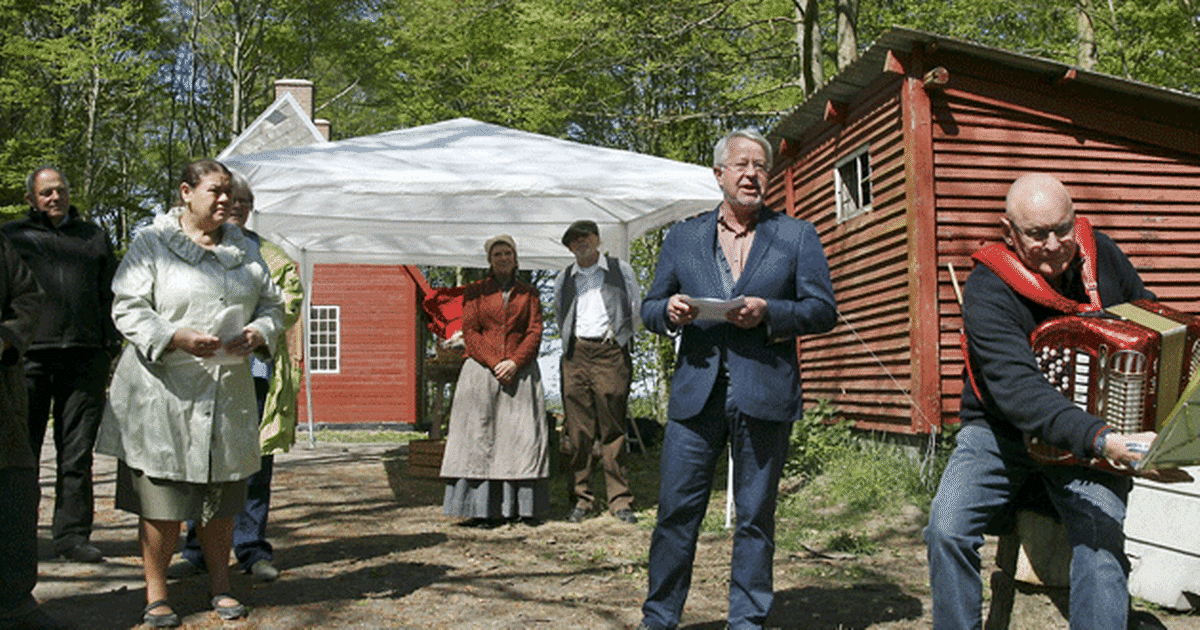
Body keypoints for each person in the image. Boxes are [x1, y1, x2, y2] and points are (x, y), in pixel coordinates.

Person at [924, 173, 1157, 630]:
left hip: (1091, 431)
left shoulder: (1101, 253)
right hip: (1001, 430)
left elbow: (1143, 312)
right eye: (1036, 234)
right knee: (945, 527)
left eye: (1063, 229)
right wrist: (1102, 439)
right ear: (1008, 233)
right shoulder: (988, 288)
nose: (1054, 244)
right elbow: (1018, 391)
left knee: (1101, 537)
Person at [637, 128, 837, 630]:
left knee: (754, 517)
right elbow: (648, 307)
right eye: (741, 165)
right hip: (695, 395)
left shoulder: (797, 236)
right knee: (676, 514)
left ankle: (747, 620)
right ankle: (659, 617)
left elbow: (822, 311)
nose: (752, 174)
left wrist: (771, 311)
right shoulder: (682, 237)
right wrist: (671, 310)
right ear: (719, 174)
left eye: (761, 166)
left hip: (765, 391)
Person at [94, 159, 284, 627]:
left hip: (226, 391)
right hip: (164, 394)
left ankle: (221, 587)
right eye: (215, 191)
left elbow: (273, 304)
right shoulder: (153, 244)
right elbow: (127, 306)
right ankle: (157, 597)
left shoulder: (246, 250)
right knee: (162, 504)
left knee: (221, 500)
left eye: (229, 193)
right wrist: (174, 336)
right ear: (186, 192)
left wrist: (259, 332)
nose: (225, 200)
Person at [172, 172, 304, 583]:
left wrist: (259, 330)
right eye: (232, 198)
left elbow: (290, 301)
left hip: (256, 370)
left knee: (254, 463)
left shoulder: (269, 253)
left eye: (246, 201)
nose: (238, 206)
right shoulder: (189, 246)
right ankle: (196, 550)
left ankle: (250, 548)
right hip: (203, 370)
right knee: (202, 458)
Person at [1, 167, 120, 564]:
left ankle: (72, 536)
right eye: (47, 192)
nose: (56, 198)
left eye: (61, 190)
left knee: (77, 454)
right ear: (32, 199)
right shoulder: (13, 237)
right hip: (28, 359)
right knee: (24, 455)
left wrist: (110, 342)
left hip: (85, 358)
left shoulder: (93, 238)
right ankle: (19, 537)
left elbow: (111, 294)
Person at [440, 234, 549, 527]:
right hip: (480, 371)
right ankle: (481, 510)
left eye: (508, 253)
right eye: (497, 254)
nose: (503, 258)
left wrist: (514, 361)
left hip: (520, 372)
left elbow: (535, 331)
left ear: (516, 259)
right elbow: (470, 331)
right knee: (478, 439)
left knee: (520, 440)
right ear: (489, 260)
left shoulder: (529, 293)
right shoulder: (475, 291)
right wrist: (495, 361)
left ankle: (521, 509)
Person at [0, 235, 74, 630]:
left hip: (3, 402)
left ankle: (13, 602)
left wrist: (7, 338)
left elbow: (28, 295)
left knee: (13, 495)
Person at [553, 219, 641, 525]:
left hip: (610, 353)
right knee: (578, 432)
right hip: (576, 355)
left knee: (613, 428)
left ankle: (619, 501)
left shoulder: (620, 270)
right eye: (573, 241)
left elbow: (636, 308)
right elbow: (558, 314)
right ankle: (582, 499)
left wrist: (621, 341)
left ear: (597, 239)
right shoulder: (565, 277)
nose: (580, 244)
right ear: (569, 248)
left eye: (585, 238)